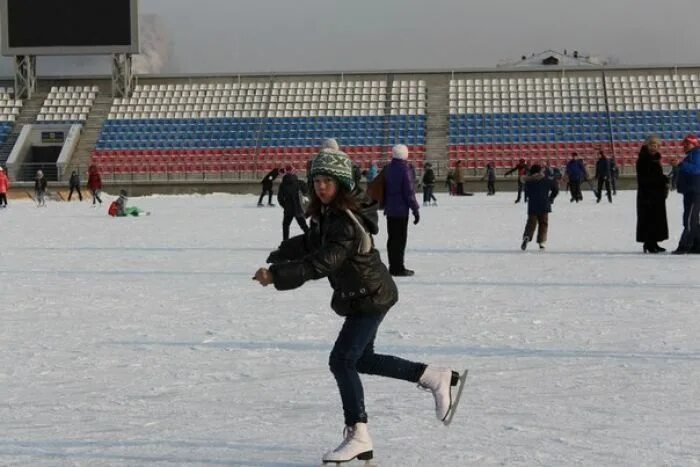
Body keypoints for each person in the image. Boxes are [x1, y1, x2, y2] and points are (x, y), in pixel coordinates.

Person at [253, 148, 464, 464]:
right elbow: (314, 242)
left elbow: (323, 262)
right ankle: (434, 376)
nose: (321, 186)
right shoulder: (330, 216)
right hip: (364, 295)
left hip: (369, 297)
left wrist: (278, 275)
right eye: (317, 180)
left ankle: (358, 434)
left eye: (328, 180)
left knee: (341, 360)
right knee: (361, 359)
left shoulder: (345, 223)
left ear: (340, 182)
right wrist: (283, 252)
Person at [383, 144, 420, 276]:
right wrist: (415, 210)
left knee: (392, 239)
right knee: (400, 239)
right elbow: (409, 192)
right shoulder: (405, 170)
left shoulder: (388, 169)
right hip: (401, 210)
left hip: (390, 209)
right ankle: (398, 267)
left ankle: (393, 265)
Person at [636, 136, 669, 253]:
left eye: (656, 145)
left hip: (656, 194)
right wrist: (661, 180)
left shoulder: (654, 159)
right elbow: (645, 178)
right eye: (652, 145)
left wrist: (662, 179)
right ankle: (648, 243)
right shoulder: (644, 159)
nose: (654, 147)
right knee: (648, 219)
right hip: (647, 195)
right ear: (647, 145)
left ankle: (654, 242)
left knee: (656, 219)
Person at [520, 164, 559, 251]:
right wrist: (551, 198)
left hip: (533, 205)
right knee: (543, 223)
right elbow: (556, 189)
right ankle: (541, 242)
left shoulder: (528, 181)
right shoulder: (546, 180)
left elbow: (527, 192)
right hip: (544, 204)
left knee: (531, 223)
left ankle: (527, 236)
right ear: (540, 171)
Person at [673, 134, 700, 254]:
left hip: (695, 191)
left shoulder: (697, 154)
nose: (684, 146)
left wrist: (680, 164)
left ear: (694, 144)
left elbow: (696, 169)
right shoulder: (690, 156)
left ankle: (686, 246)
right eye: (684, 144)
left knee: (689, 220)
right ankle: (696, 245)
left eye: (687, 144)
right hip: (689, 191)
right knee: (690, 219)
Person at [277, 164, 310, 240]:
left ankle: (285, 242)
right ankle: (311, 240)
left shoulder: (282, 185)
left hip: (288, 210)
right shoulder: (300, 183)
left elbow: (280, 198)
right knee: (303, 225)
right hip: (298, 208)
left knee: (286, 225)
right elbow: (306, 191)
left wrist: (285, 206)